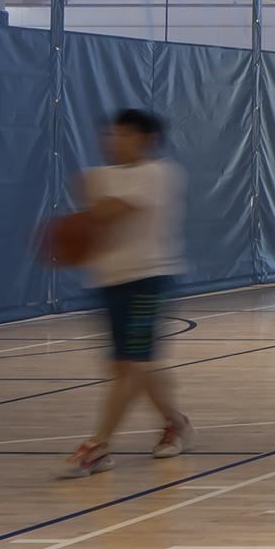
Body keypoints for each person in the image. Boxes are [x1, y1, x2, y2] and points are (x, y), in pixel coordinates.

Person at [55, 109, 191, 478]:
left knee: (133, 363)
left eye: (124, 136)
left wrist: (90, 204)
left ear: (146, 140)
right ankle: (175, 422)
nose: (114, 142)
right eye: (111, 135)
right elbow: (94, 214)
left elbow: (106, 212)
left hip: (149, 278)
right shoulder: (101, 176)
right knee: (129, 365)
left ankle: (98, 445)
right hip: (107, 281)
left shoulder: (159, 173)